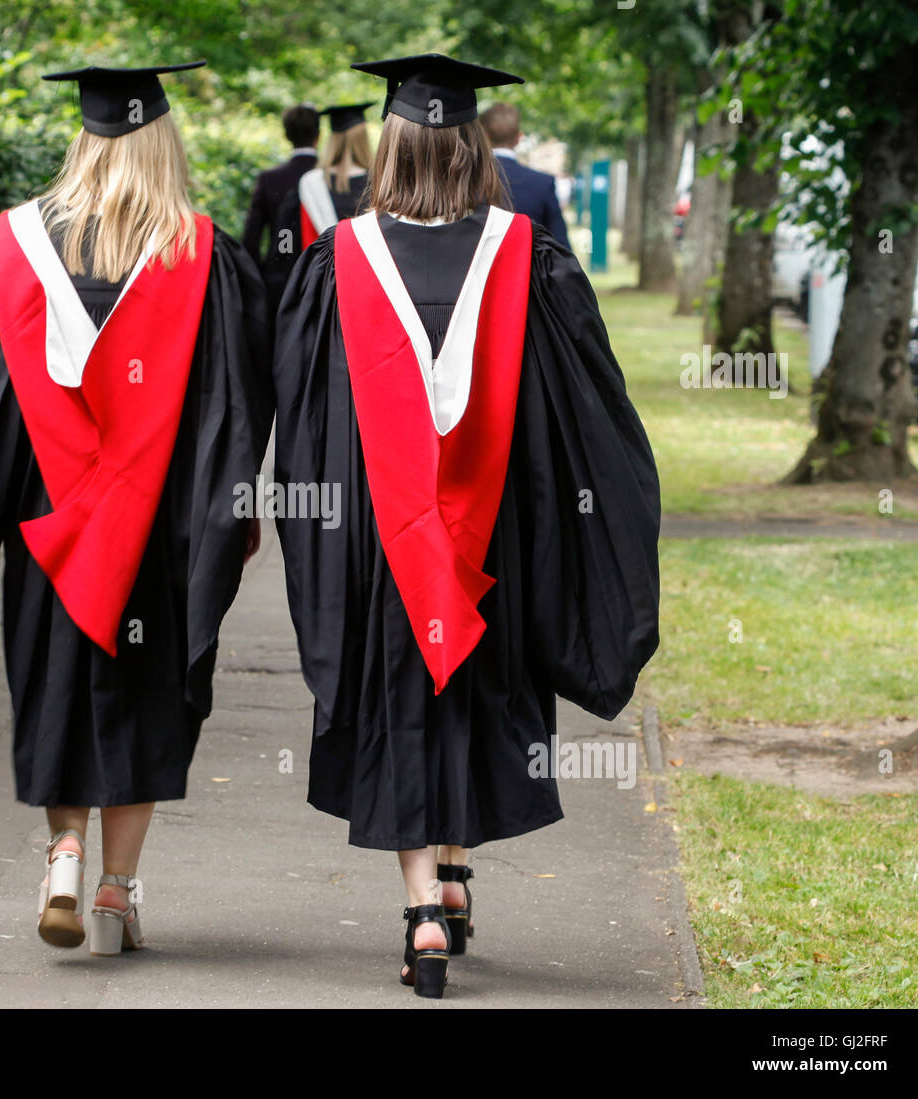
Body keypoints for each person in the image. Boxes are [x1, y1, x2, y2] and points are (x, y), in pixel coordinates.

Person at [273, 54, 659, 998]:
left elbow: (308, 419)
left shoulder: (339, 262)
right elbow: (590, 411)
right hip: (500, 540)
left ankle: (422, 911)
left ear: (394, 144)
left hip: (382, 538)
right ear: (474, 145)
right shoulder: (532, 257)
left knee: (403, 690)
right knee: (476, 676)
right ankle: (454, 867)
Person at [0, 61, 273, 958]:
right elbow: (239, 404)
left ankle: (60, 853)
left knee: (56, 685)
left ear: (82, 142)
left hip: (48, 527)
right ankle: (116, 890)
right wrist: (231, 510)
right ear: (165, 146)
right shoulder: (203, 258)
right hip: (162, 533)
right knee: (151, 696)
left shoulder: (8, 249)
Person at [242, 104, 320, 315]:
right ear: (319, 135)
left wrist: (258, 281)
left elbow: (251, 238)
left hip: (279, 279)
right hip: (323, 278)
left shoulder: (269, 180)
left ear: (286, 135)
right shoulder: (329, 178)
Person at [480, 100, 571, 250]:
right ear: (519, 137)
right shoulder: (543, 184)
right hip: (527, 272)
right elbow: (561, 246)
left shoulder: (464, 181)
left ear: (483, 136)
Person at [291, 103, 375, 248]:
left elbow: (309, 240)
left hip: (329, 267)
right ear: (363, 138)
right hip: (372, 266)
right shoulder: (381, 180)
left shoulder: (312, 182)